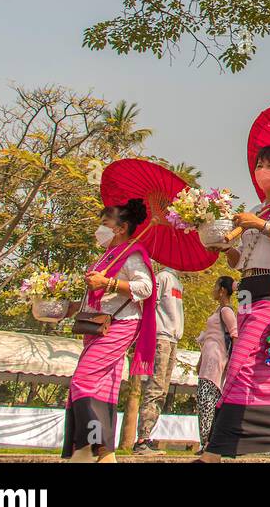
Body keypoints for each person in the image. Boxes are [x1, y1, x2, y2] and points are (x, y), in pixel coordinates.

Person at [200, 143, 270, 463]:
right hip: (248, 288)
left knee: (241, 362)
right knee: (264, 372)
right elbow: (241, 261)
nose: (263, 170)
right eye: (260, 164)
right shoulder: (258, 207)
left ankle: (213, 453)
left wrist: (261, 225)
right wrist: (225, 249)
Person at [62, 198, 156, 462]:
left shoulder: (133, 253)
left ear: (121, 228)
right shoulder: (108, 254)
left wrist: (110, 282)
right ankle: (104, 454)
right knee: (103, 388)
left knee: (83, 379)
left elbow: (145, 288)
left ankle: (87, 447)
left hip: (120, 324)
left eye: (105, 223)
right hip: (97, 325)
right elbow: (97, 295)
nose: (99, 229)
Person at [133, 261, 185, 455]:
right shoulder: (162, 277)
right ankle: (142, 439)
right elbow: (149, 303)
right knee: (154, 387)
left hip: (173, 339)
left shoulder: (178, 283)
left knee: (163, 390)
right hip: (160, 337)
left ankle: (148, 435)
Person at [195, 275, 238, 453]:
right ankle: (205, 441)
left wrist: (232, 361)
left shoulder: (226, 311)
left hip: (217, 359)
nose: (213, 289)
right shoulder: (217, 310)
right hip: (208, 358)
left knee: (208, 401)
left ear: (222, 290)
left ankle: (208, 442)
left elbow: (234, 334)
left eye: (216, 286)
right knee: (204, 400)